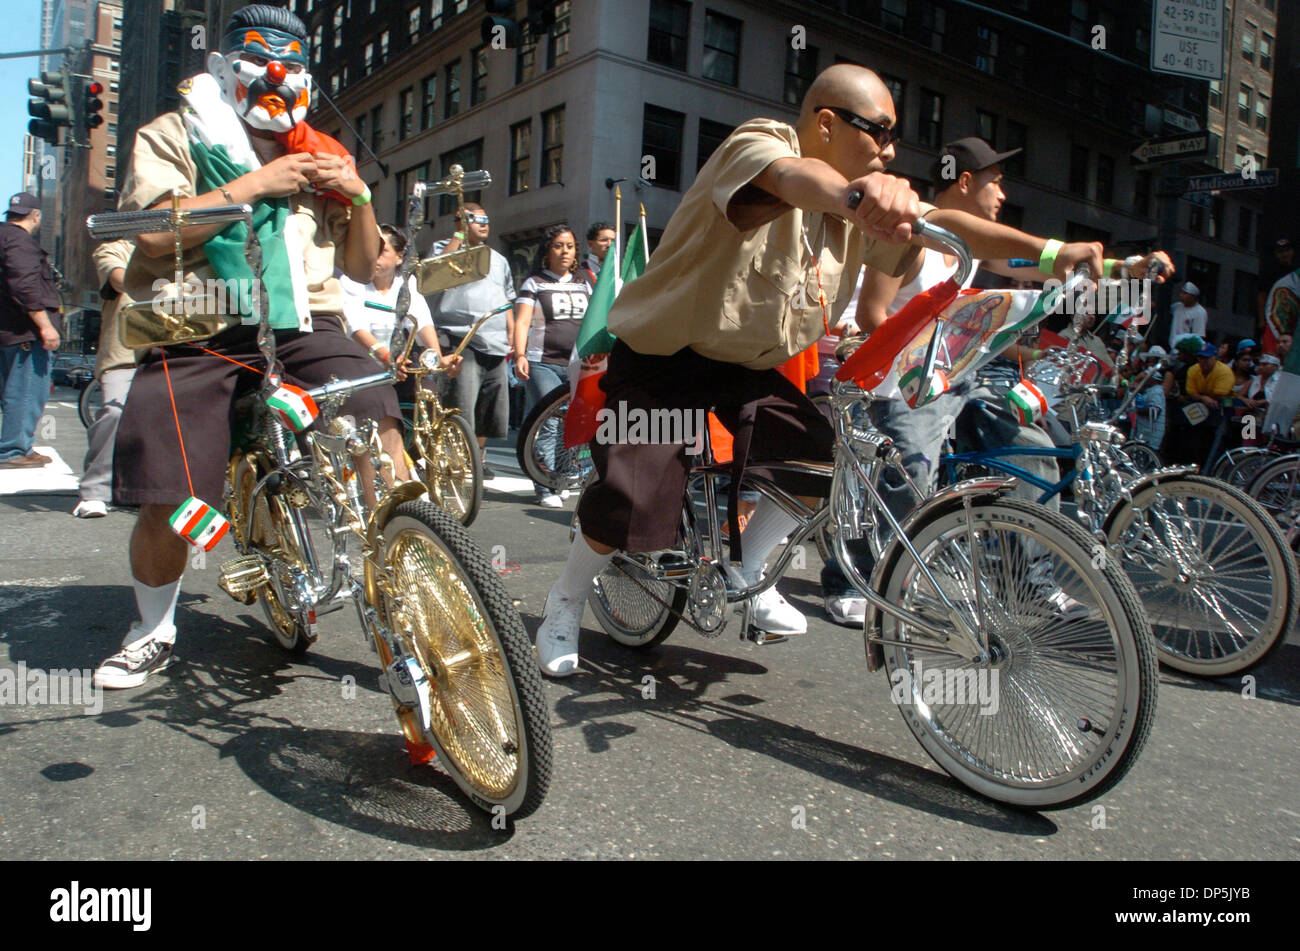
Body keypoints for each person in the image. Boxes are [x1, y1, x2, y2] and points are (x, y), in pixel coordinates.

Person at [532, 64, 1108, 677]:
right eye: (879, 132)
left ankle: (746, 566)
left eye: (894, 139)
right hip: (661, 359)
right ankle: (564, 601)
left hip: (746, 367)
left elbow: (947, 226)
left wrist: (1051, 251)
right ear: (827, 123)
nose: (889, 150)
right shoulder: (761, 144)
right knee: (634, 503)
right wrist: (855, 196)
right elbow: (790, 178)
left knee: (820, 462)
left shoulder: (861, 207)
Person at [93, 4, 389, 689]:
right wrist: (253, 186)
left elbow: (360, 267)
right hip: (199, 326)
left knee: (377, 412)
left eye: (292, 68)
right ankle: (152, 628)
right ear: (223, 69)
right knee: (171, 491)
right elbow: (151, 234)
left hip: (305, 324)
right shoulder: (175, 133)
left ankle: (398, 572)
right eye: (259, 62)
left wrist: (361, 196)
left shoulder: (322, 151)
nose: (277, 79)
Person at [830, 135, 1170, 622]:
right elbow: (871, 316)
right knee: (909, 465)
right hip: (900, 378)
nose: (1003, 194)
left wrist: (1124, 267)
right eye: (996, 182)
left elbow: (1036, 262)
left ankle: (1026, 584)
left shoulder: (973, 246)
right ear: (966, 181)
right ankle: (856, 578)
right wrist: (936, 356)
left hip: (957, 377)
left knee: (1032, 447)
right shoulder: (907, 231)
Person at [425, 202, 514, 478]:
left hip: (496, 340)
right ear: (460, 221)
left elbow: (507, 299)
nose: (484, 224)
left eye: (486, 219)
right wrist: (459, 235)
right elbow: (435, 275)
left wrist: (511, 333)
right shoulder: (443, 249)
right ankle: (457, 459)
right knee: (461, 405)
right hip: (460, 337)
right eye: (476, 219)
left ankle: (478, 456)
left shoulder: (498, 259)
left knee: (490, 408)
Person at [511, 224, 591, 507]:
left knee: (572, 421)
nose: (565, 251)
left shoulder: (584, 283)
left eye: (570, 246)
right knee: (548, 423)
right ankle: (544, 486)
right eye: (558, 246)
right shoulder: (534, 282)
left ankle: (561, 476)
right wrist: (519, 355)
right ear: (547, 251)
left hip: (577, 364)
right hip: (542, 362)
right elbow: (522, 322)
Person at [75, 239, 137, 516]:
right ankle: (95, 491)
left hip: (177, 353)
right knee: (114, 412)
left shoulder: (190, 246)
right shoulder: (115, 249)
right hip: (124, 355)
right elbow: (119, 280)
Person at [0, 192, 61, 469]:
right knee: (25, 392)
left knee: (13, 392)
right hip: (25, 333)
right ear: (35, 216)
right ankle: (14, 450)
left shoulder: (4, 236)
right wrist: (45, 326)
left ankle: (18, 446)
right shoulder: (20, 241)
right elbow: (24, 286)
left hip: (8, 331)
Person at [1185, 341, 1235, 468]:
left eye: (1206, 358)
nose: (1203, 361)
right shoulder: (1193, 369)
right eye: (1200, 358)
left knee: (1217, 443)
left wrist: (1202, 397)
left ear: (1214, 358)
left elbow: (1220, 395)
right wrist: (1203, 398)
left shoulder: (1224, 371)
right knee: (1194, 441)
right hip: (1201, 411)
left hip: (1222, 411)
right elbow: (1191, 392)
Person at [1131, 346, 1169, 450]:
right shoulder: (1148, 390)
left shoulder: (1156, 391)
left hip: (1152, 434)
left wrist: (1137, 411)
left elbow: (1155, 410)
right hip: (1144, 432)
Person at [1169, 282, 1207, 350]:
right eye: (1181, 292)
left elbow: (1198, 336)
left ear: (1193, 296)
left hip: (1185, 349)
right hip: (1172, 347)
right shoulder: (1177, 307)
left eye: (1185, 293)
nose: (1181, 295)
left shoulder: (1200, 312)